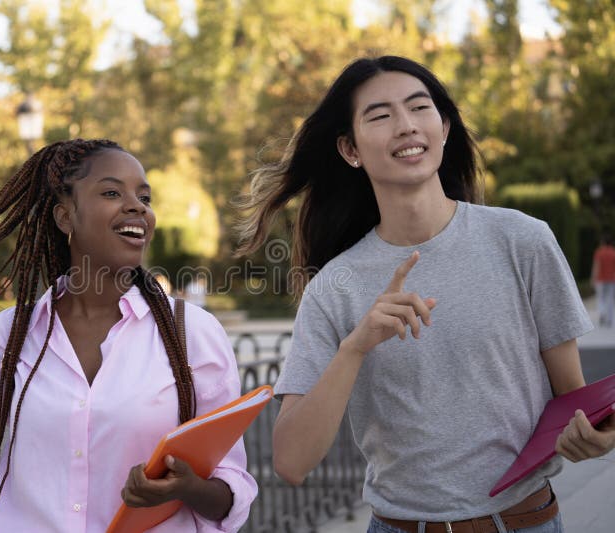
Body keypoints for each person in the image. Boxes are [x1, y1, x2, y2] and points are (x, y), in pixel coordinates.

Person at [235, 56, 615, 532]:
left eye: (419, 108)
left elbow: (575, 402)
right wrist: (356, 345)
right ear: (350, 149)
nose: (406, 126)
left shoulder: (522, 241)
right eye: (380, 115)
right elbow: (291, 461)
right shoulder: (334, 286)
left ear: (444, 128)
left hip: (528, 522)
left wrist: (599, 434)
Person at [0, 139, 257, 532]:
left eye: (144, 196)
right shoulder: (5, 341)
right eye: (111, 192)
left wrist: (186, 488)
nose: (137, 206)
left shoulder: (192, 335)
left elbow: (230, 489)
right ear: (65, 217)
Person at [592, 234, 615, 327]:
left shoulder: (599, 252)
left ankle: (602, 313)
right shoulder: (613, 252)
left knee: (600, 298)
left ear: (603, 242)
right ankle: (609, 318)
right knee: (609, 298)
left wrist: (593, 277)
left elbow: (596, 266)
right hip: (611, 279)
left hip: (600, 279)